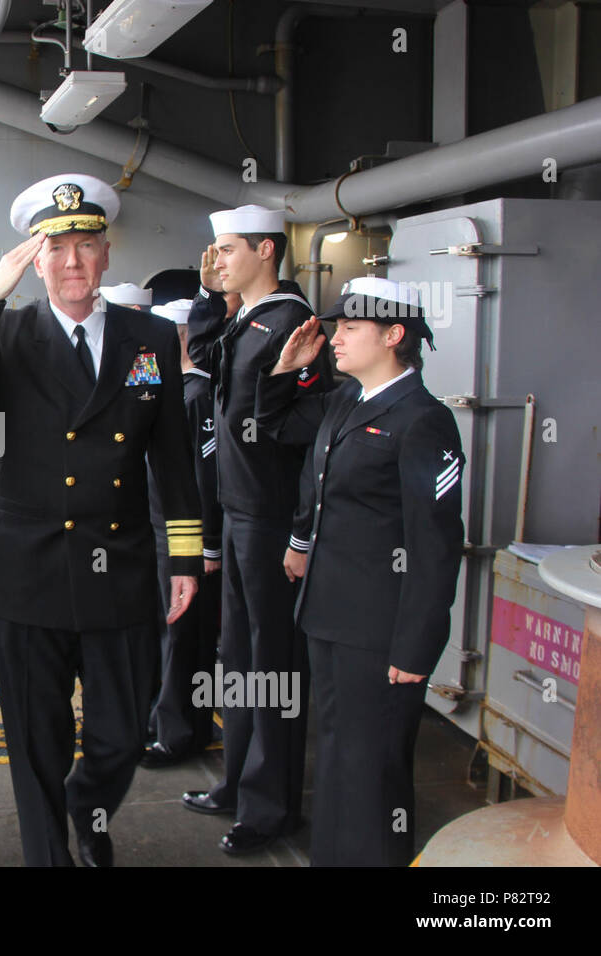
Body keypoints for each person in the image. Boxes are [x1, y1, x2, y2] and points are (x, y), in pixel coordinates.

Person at [0, 173, 203, 866]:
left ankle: (89, 803)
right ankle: (49, 854)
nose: (72, 260)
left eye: (85, 244)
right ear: (36, 259)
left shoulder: (149, 338)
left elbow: (172, 454)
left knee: (123, 732)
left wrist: (186, 557)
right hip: (32, 569)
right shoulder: (6, 333)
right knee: (35, 738)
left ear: (107, 253)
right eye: (56, 247)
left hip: (121, 563)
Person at [257, 275, 464, 866]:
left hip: (380, 630)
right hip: (329, 616)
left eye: (351, 327)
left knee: (374, 770)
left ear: (394, 335)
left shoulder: (423, 420)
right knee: (338, 759)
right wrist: (285, 369)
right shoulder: (348, 400)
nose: (337, 338)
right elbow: (275, 425)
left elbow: (436, 545)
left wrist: (417, 644)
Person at [182, 205, 334, 856]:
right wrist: (209, 294)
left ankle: (271, 808)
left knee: (272, 662)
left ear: (266, 250)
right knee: (237, 657)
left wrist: (301, 533)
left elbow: (314, 431)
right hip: (237, 509)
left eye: (227, 249)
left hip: (271, 516)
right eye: (214, 250)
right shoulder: (246, 316)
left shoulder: (293, 322)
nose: (217, 260)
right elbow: (206, 358)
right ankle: (239, 784)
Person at [142, 297, 223, 766]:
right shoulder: (170, 390)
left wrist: (207, 546)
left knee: (181, 632)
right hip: (159, 525)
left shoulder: (197, 396)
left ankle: (178, 732)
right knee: (164, 628)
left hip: (182, 533)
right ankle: (162, 716)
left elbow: (205, 479)